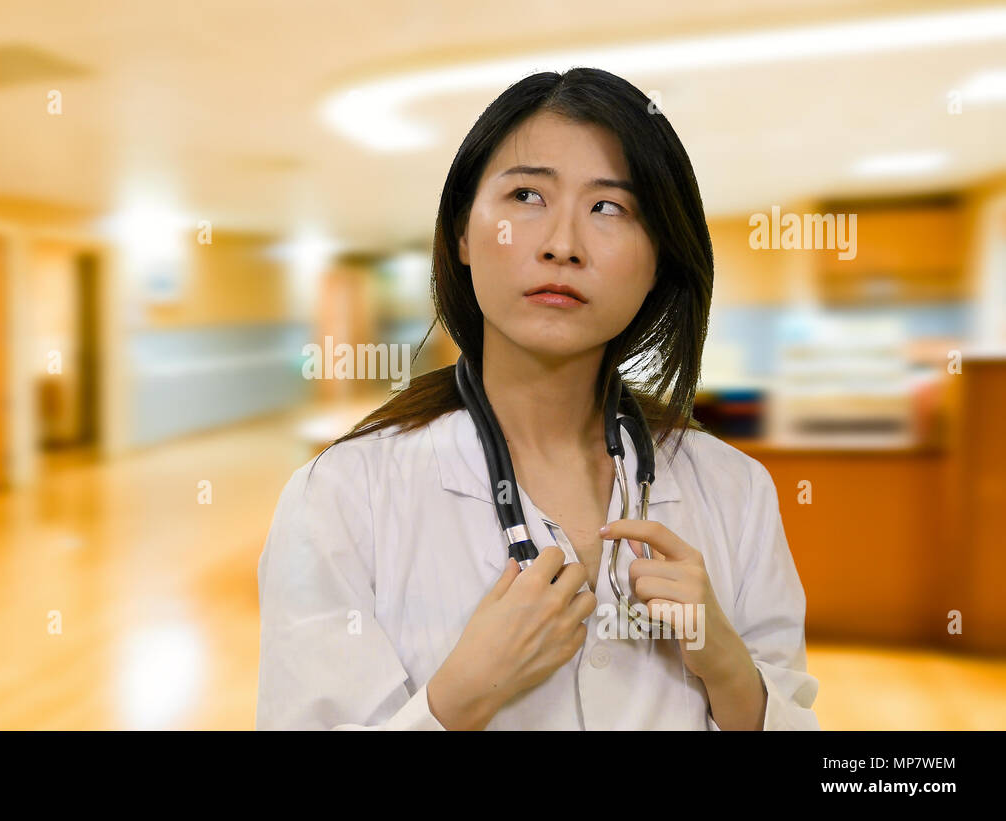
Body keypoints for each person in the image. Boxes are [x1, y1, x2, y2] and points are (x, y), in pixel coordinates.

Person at [255, 67, 820, 730]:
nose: (562, 244)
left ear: (660, 258)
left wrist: (728, 669)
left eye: (610, 207)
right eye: (527, 195)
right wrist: (455, 701)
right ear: (464, 233)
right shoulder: (340, 499)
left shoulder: (736, 492)